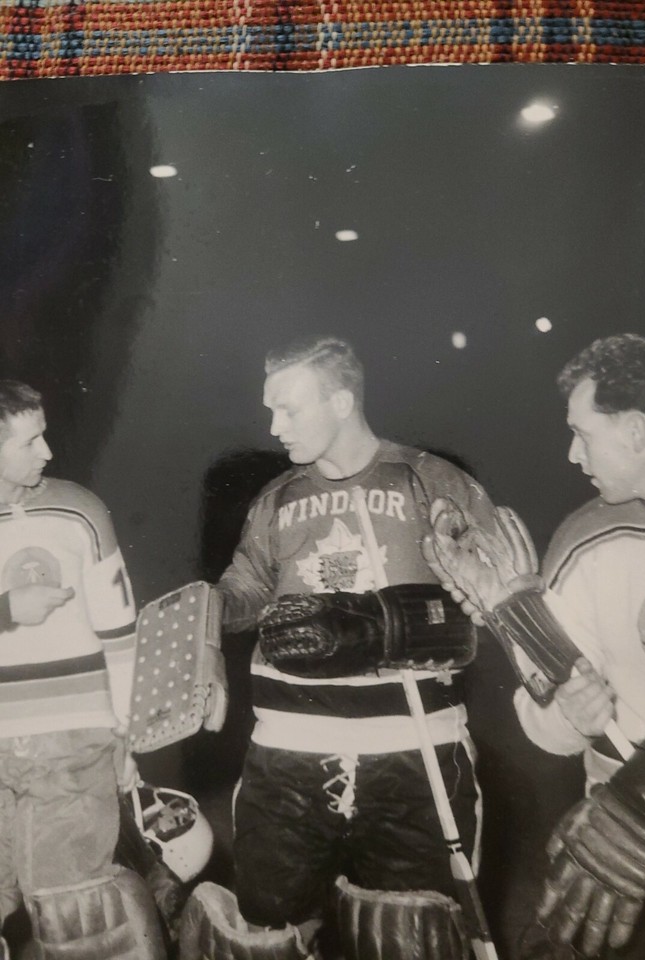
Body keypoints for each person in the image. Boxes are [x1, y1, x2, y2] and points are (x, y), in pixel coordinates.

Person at [185, 335, 498, 960]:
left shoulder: (430, 482)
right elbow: (243, 588)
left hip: (411, 750)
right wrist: (202, 615)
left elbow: (497, 596)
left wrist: (467, 597)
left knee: (410, 938)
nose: (273, 426)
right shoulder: (276, 500)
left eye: (289, 409)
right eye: (269, 409)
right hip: (288, 753)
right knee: (267, 936)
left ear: (341, 400)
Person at [424, 334, 645, 959]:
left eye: (582, 432)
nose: (573, 453)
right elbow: (549, 724)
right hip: (622, 850)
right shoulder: (584, 541)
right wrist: (565, 714)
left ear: (632, 431)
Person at [0, 380, 165, 960]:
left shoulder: (80, 510)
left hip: (74, 741)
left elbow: (122, 637)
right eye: (30, 440)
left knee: (76, 916)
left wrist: (128, 734)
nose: (47, 452)